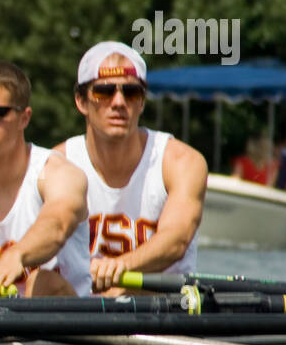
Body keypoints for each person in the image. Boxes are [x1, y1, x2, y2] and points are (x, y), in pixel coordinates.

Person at [54, 41, 206, 294]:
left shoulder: (181, 162)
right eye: (104, 91)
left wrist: (118, 268)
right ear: (81, 102)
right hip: (81, 313)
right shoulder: (57, 164)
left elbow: (176, 240)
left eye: (131, 93)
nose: (118, 102)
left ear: (142, 102)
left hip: (160, 311)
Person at [0, 61, 91, 296]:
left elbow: (58, 223)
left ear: (24, 118)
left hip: (59, 327)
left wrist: (16, 256)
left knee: (42, 281)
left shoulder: (57, 172)